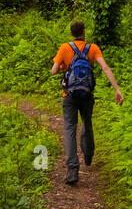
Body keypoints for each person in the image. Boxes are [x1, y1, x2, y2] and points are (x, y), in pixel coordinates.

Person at [50, 20, 124, 186]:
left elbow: (54, 70)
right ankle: (88, 155)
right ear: (84, 32)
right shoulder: (93, 48)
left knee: (70, 128)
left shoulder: (64, 47)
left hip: (68, 95)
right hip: (87, 95)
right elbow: (105, 67)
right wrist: (116, 89)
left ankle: (72, 170)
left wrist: (64, 67)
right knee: (87, 123)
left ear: (71, 33)